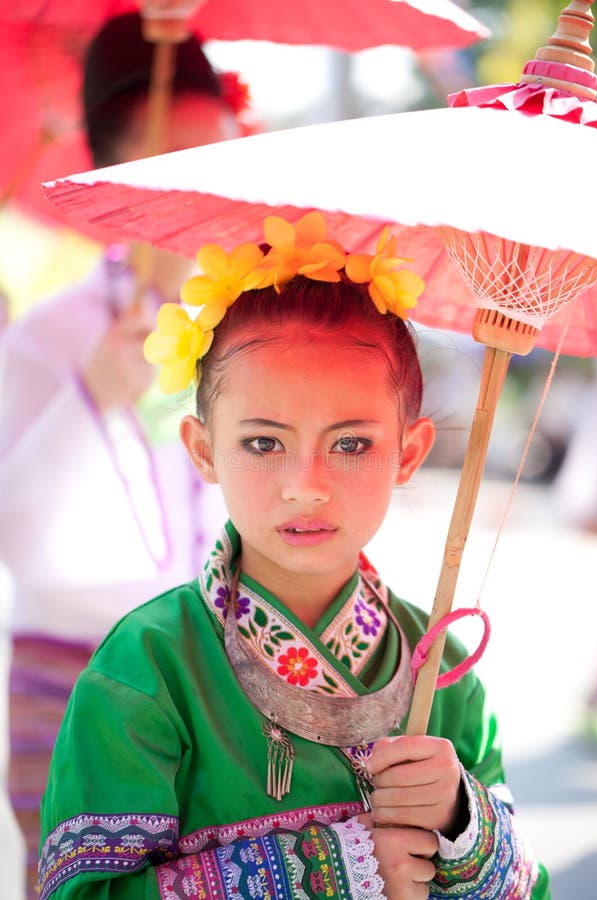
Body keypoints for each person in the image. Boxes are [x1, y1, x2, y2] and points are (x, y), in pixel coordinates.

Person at [38, 213, 549, 899]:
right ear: (201, 449)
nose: (305, 486)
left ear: (412, 452)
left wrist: (461, 819)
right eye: (263, 443)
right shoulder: (146, 669)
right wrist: (331, 870)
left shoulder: (446, 672)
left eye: (351, 444)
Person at [0, 12, 246, 896]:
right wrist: (92, 395)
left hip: (205, 681)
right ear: (110, 174)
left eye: (214, 160)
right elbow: (18, 537)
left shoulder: (243, 331)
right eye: (169, 168)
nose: (196, 195)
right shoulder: (50, 336)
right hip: (71, 674)